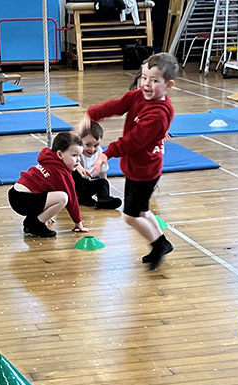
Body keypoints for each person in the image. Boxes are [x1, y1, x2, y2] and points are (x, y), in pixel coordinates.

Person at [77, 53, 178, 270]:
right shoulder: (140, 96)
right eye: (144, 77)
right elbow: (118, 105)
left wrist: (106, 154)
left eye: (154, 80)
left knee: (131, 217)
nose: (146, 84)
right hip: (138, 168)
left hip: (145, 172)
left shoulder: (158, 115)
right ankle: (162, 243)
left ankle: (159, 244)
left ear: (168, 85)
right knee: (142, 211)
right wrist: (92, 114)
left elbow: (132, 142)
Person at [8, 131, 89, 237]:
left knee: (55, 194)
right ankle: (35, 224)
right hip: (23, 199)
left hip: (15, 194)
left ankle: (31, 222)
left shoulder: (49, 158)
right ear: (59, 154)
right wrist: (78, 222)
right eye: (74, 155)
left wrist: (47, 213)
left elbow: (46, 186)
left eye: (80, 155)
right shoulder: (61, 173)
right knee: (63, 198)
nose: (78, 160)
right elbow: (72, 200)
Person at [74, 123, 123, 210]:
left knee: (103, 182)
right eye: (88, 145)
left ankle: (103, 199)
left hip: (85, 185)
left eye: (96, 145)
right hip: (72, 186)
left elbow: (103, 173)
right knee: (74, 174)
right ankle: (80, 198)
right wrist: (79, 167)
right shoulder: (75, 149)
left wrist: (105, 188)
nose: (92, 149)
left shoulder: (100, 152)